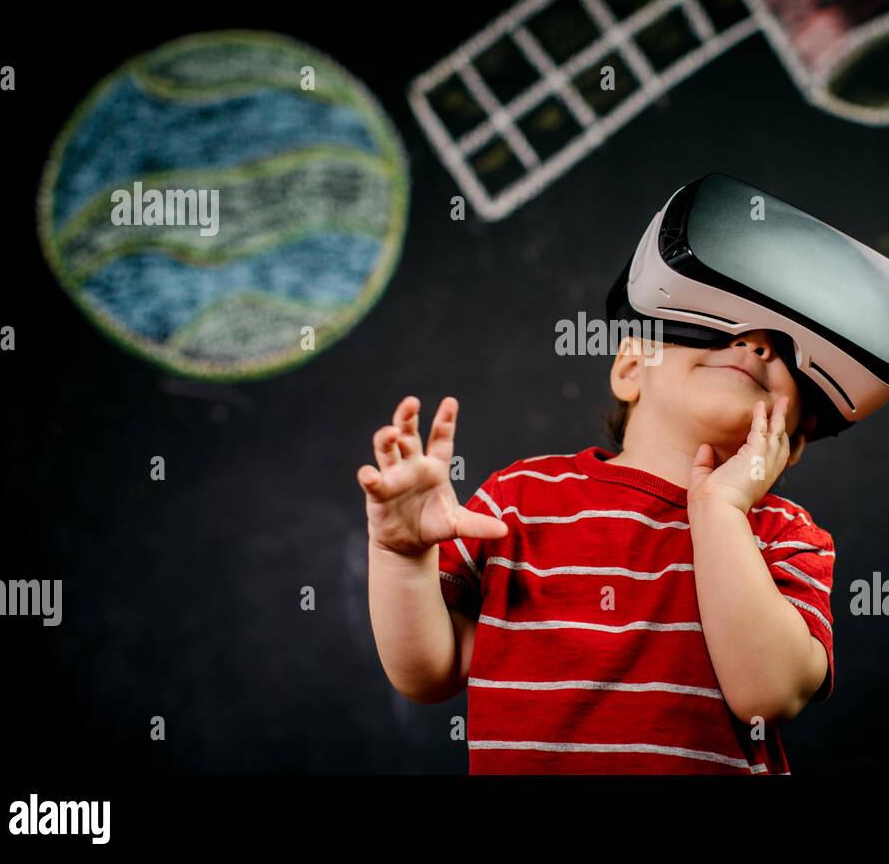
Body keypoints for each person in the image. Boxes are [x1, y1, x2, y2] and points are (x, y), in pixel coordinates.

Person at [360, 320, 840, 774]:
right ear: (631, 367)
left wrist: (723, 507)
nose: (757, 344)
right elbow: (431, 673)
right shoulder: (519, 497)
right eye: (716, 324)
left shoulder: (785, 533)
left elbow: (768, 696)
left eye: (785, 347)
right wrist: (401, 554)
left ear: (794, 439)